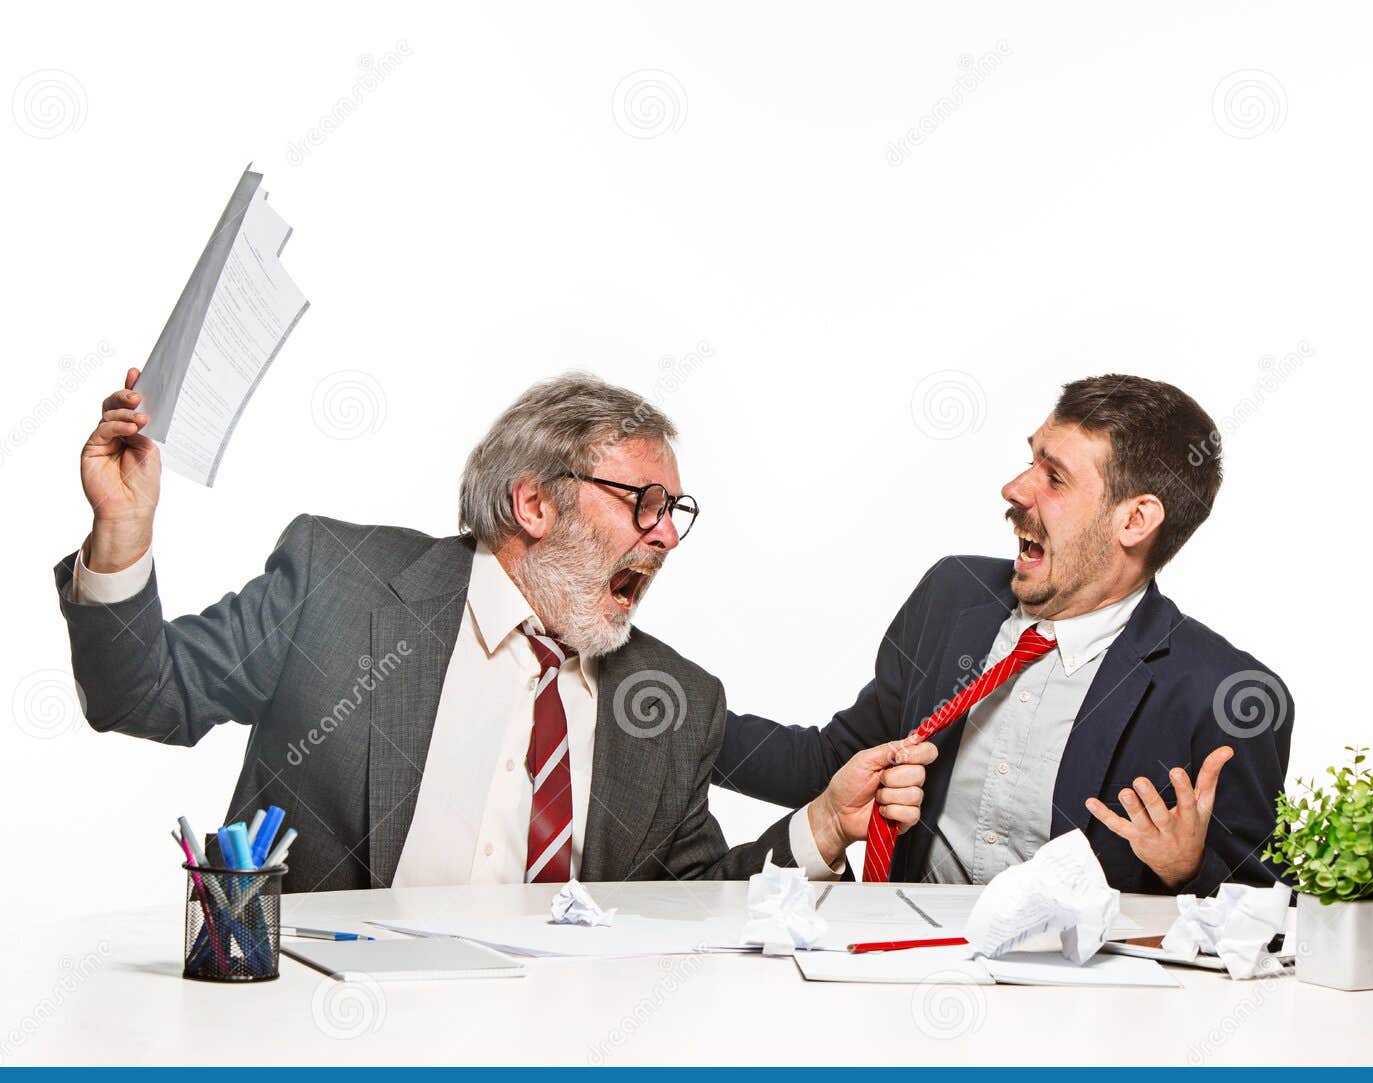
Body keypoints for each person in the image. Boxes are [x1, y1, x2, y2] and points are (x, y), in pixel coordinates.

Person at [55, 368, 930, 892]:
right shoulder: (340, 587)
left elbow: (697, 909)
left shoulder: (675, 703)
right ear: (535, 502)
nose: (665, 534)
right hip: (322, 1054)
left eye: (676, 512)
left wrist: (818, 827)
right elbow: (142, 696)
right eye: (646, 504)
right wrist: (123, 539)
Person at [716, 374, 1292, 895]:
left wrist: (1188, 871)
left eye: (1055, 477)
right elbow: (836, 762)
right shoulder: (953, 596)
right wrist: (659, 715)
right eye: (1030, 462)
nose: (1015, 488)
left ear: (1135, 520)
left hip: (1076, 999)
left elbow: (1264, 922)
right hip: (904, 967)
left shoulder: (1223, 695)